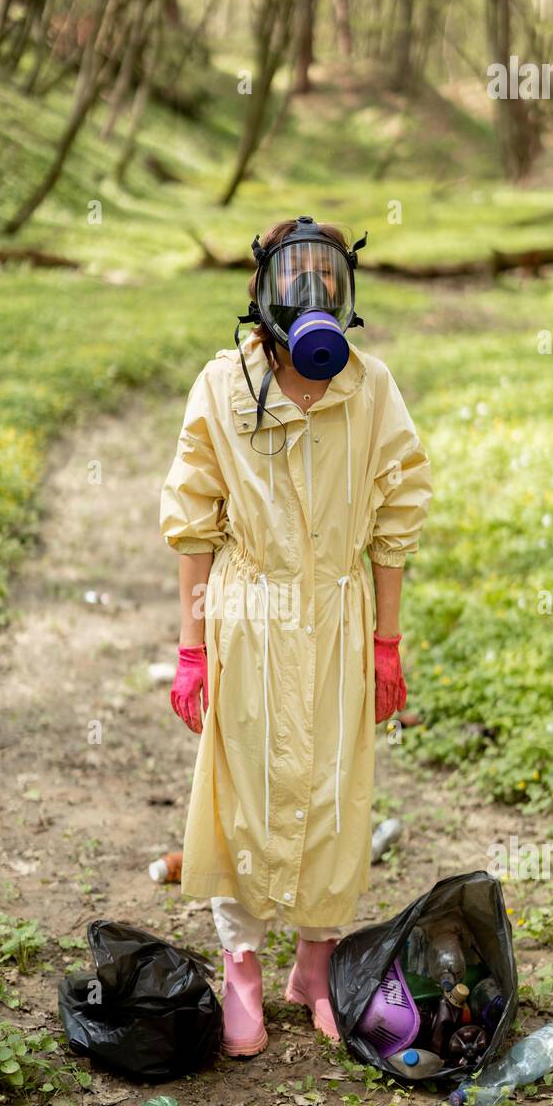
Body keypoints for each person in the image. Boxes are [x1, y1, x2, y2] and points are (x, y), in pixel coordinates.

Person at [159, 216, 432, 1057]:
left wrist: (386, 642)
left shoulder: (370, 386)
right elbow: (194, 523)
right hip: (248, 616)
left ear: (346, 292)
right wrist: (192, 647)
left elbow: (394, 518)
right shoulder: (222, 386)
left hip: (339, 617)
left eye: (327, 277)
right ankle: (240, 966)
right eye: (294, 277)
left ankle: (313, 967)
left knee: (334, 786)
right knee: (241, 786)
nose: (310, 294)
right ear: (261, 292)